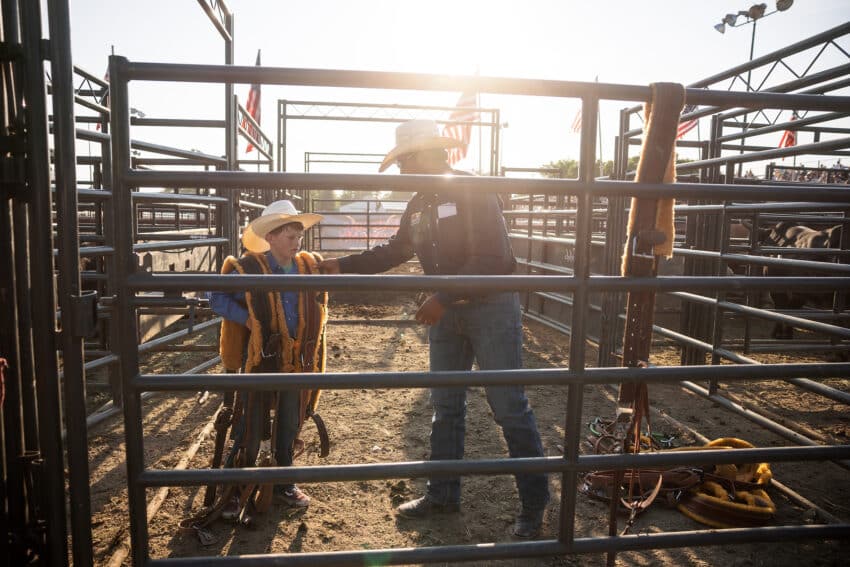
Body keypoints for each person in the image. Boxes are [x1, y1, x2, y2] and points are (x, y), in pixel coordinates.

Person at [319, 120, 549, 538]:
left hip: (488, 307)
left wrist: (441, 296)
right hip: (449, 312)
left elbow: (493, 259)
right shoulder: (420, 203)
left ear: (428, 156)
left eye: (405, 162)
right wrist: (342, 264)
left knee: (509, 406)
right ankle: (442, 494)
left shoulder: (473, 189)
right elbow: (395, 250)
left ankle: (535, 506)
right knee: (446, 407)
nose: (402, 172)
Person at [208, 199, 328, 523]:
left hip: (296, 359)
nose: (297, 242)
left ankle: (283, 482)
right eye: (290, 236)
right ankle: (236, 489)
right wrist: (247, 319)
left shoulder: (306, 267)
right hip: (261, 359)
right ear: (272, 237)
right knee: (249, 421)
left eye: (299, 236)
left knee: (291, 418)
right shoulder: (249, 268)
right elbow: (215, 296)